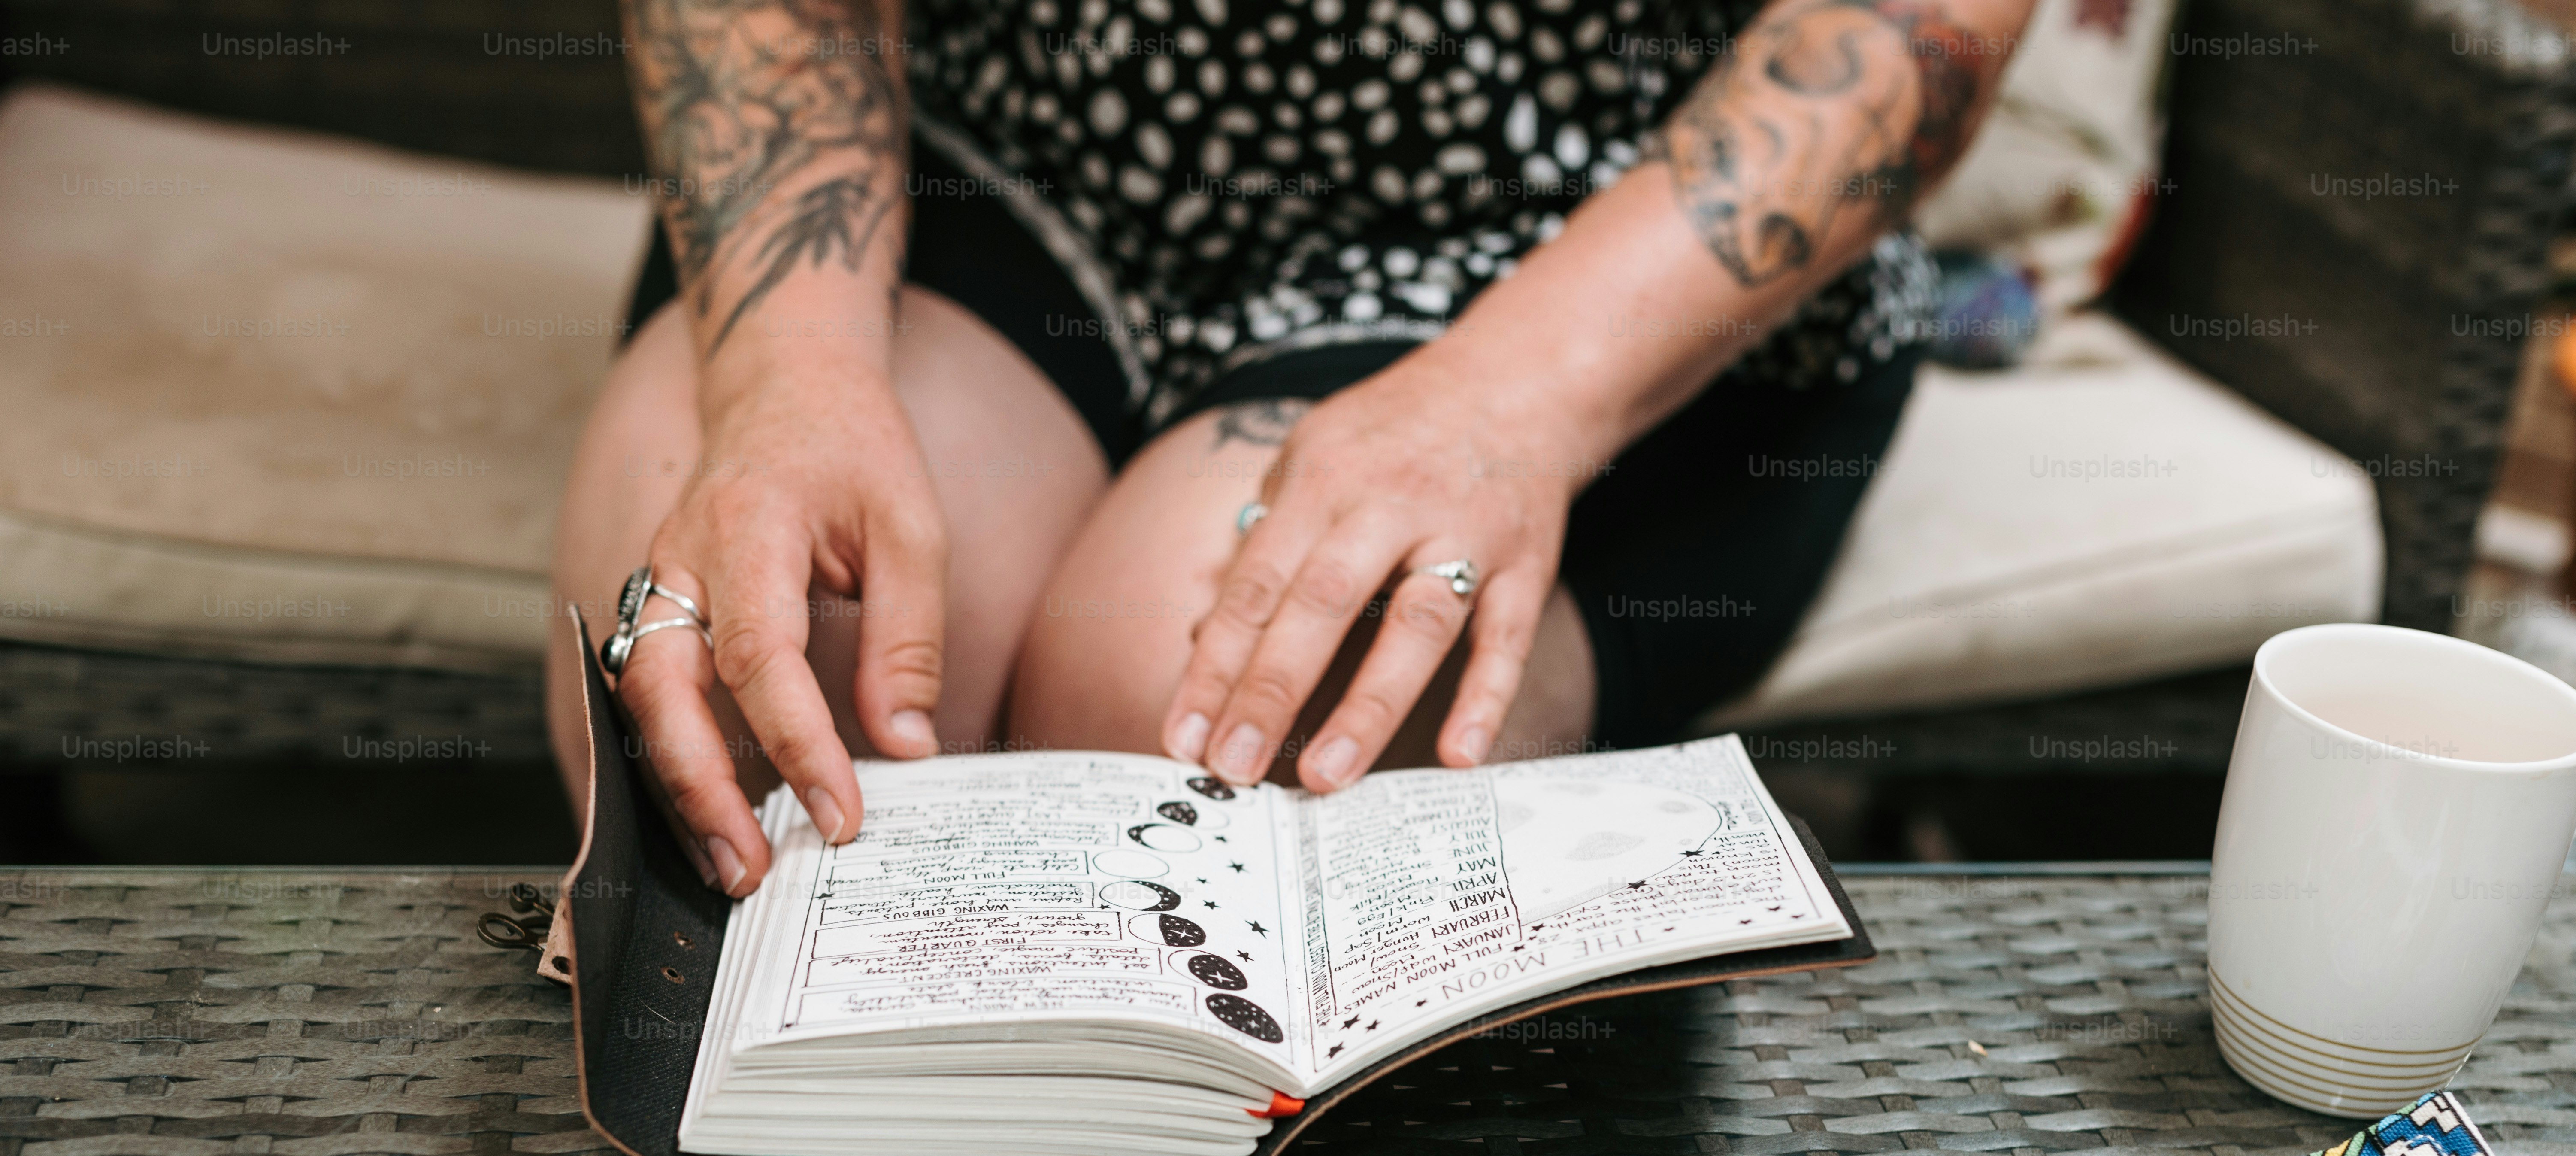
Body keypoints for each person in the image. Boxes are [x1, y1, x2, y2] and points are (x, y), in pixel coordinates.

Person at [553, 0, 2030, 894]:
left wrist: (1514, 403)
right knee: (758, 707)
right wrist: (788, 381)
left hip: (1579, 209)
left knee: (1207, 753)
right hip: (997, 144)